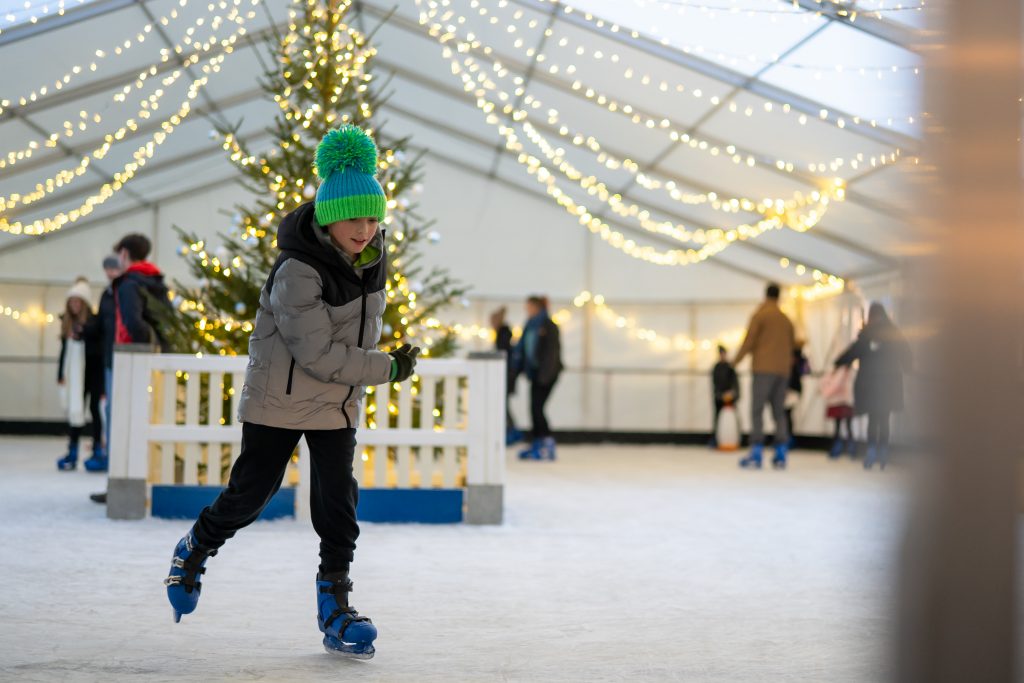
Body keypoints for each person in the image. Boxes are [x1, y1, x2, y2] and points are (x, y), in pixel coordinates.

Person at [164, 126, 419, 660]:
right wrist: (387, 368)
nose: (366, 229)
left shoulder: (371, 260)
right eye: (354, 217)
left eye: (373, 218)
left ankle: (336, 608)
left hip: (337, 404)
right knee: (249, 496)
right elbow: (317, 354)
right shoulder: (298, 268)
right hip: (278, 401)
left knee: (338, 507)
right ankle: (195, 548)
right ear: (329, 216)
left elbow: (353, 335)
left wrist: (375, 363)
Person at [834, 303, 911, 470]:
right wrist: (908, 367)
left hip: (870, 383)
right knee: (884, 419)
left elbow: (852, 352)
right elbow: (905, 351)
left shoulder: (867, 334)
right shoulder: (893, 332)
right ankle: (882, 451)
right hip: (890, 382)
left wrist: (838, 362)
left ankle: (871, 451)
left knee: (873, 419)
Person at [733, 283, 796, 469]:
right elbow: (793, 345)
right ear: (779, 296)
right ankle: (781, 451)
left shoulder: (760, 315)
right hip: (782, 371)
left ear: (765, 295)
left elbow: (749, 340)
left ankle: (756, 451)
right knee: (779, 412)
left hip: (763, 369)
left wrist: (734, 362)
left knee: (757, 410)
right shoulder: (786, 320)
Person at [55, 279, 104, 471]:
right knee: (76, 410)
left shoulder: (93, 322)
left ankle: (98, 449)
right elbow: (64, 351)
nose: (75, 306)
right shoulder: (68, 324)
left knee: (94, 410)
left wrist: (84, 333)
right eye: (72, 302)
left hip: (92, 374)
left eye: (78, 302)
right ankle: (72, 450)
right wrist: (60, 373)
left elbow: (97, 348)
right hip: (76, 375)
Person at [80, 256, 122, 476]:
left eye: (113, 269)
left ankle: (115, 459)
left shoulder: (124, 291)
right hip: (108, 357)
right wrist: (84, 329)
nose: (110, 273)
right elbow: (102, 324)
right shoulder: (107, 293)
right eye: (107, 269)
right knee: (107, 408)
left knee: (113, 408)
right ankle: (108, 454)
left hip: (122, 357)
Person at [513, 295, 563, 460]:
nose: (527, 310)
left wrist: (545, 375)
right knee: (534, 408)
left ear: (538, 307)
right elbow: (524, 349)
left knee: (537, 408)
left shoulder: (549, 326)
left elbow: (552, 353)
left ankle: (546, 443)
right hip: (535, 374)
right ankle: (537, 442)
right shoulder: (530, 325)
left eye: (530, 307)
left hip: (546, 375)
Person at [111, 233, 171, 350]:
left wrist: (147, 344)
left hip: (134, 353)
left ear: (124, 253)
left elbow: (133, 322)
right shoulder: (156, 280)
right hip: (159, 351)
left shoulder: (129, 284)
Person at [491, 307, 522, 445]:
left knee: (504, 404)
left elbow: (502, 353)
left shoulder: (503, 333)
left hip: (506, 375)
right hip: (506, 374)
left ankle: (512, 431)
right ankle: (510, 430)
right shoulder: (503, 333)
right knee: (504, 404)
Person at [820, 364, 855, 458]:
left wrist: (825, 392)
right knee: (844, 427)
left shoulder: (841, 371)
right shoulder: (848, 371)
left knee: (839, 427)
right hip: (846, 401)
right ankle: (849, 450)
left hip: (841, 402)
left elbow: (832, 386)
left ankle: (839, 449)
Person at [710, 345, 739, 447]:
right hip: (719, 398)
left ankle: (736, 439)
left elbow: (735, 383)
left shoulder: (730, 367)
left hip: (730, 398)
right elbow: (715, 383)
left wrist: (733, 393)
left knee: (733, 419)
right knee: (717, 418)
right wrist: (720, 395)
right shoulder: (716, 367)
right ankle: (716, 439)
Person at [783, 342, 811, 449]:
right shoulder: (800, 360)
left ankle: (788, 438)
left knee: (786, 414)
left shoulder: (797, 361)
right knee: (786, 415)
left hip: (792, 391)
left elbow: (806, 371)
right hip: (793, 390)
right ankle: (788, 438)